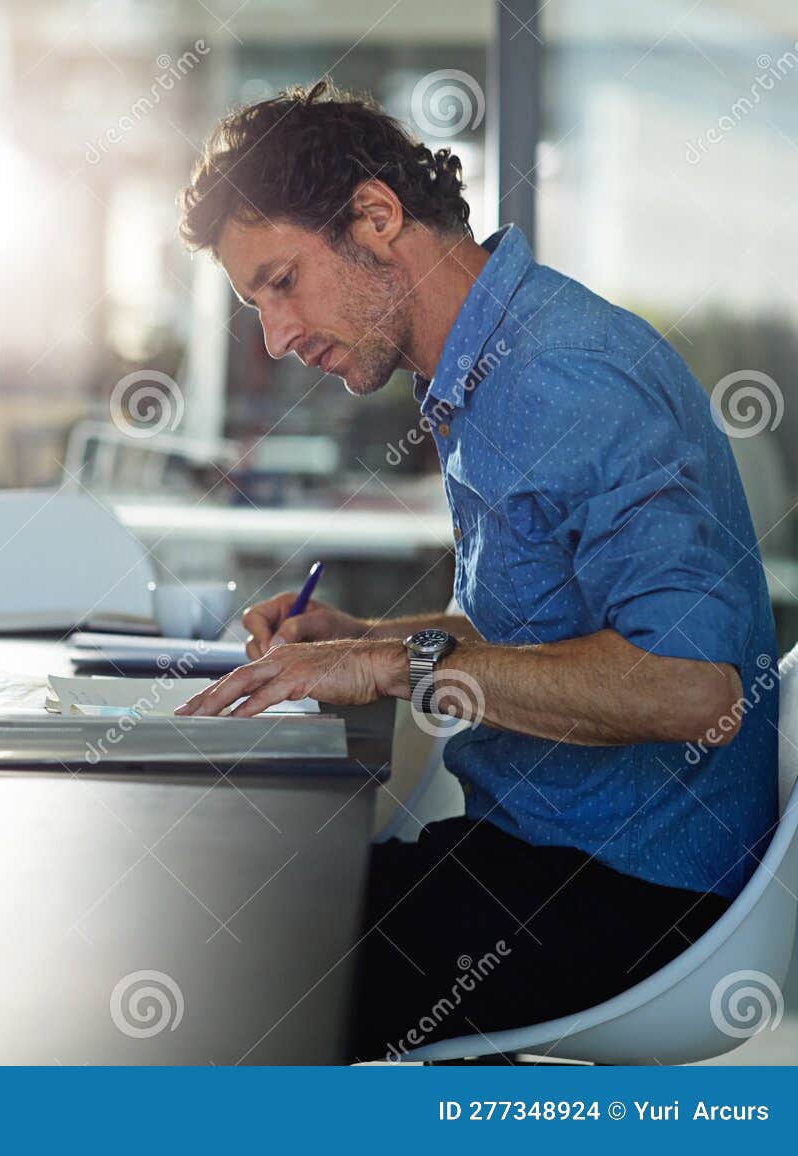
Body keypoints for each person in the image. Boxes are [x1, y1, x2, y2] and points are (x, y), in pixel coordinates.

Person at [171, 80, 779, 1062]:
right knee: (252, 916)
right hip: (542, 857)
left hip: (623, 893)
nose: (275, 339)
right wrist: (362, 642)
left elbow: (689, 690)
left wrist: (394, 668)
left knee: (234, 974)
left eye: (280, 282)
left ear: (374, 217)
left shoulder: (557, 373)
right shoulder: (480, 368)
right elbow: (530, 640)